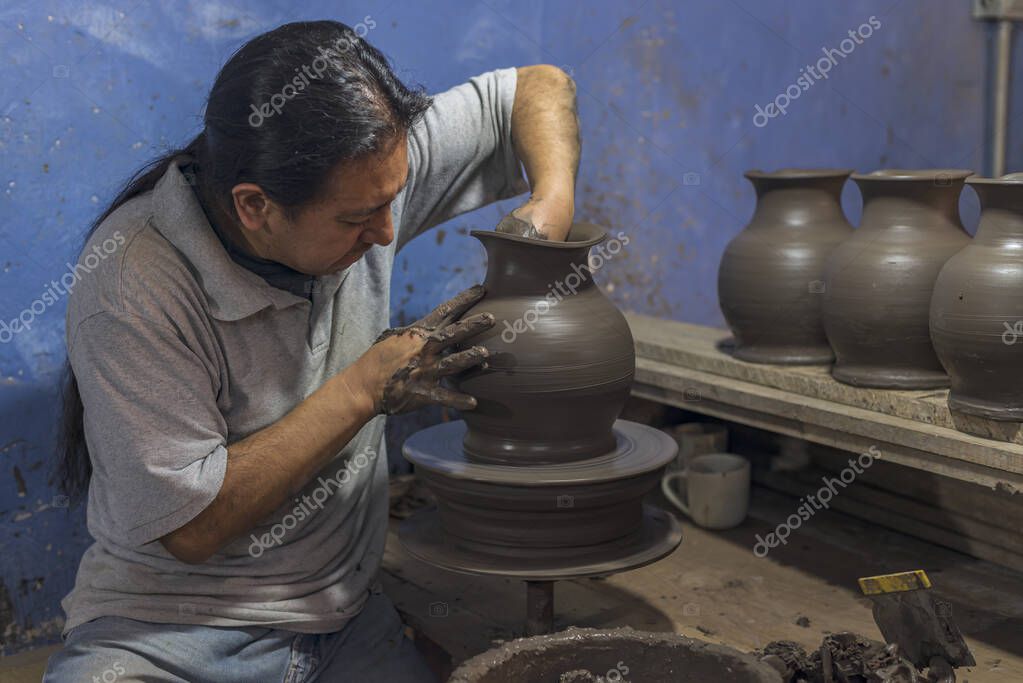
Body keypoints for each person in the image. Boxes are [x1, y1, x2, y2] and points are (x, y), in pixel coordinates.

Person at [45, 19, 579, 682]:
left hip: (342, 619)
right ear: (254, 206)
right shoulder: (132, 284)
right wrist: (363, 389)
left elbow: (536, 87)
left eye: (392, 201)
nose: (387, 233)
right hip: (169, 628)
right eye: (358, 220)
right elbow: (193, 528)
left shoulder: (366, 167)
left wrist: (549, 200)